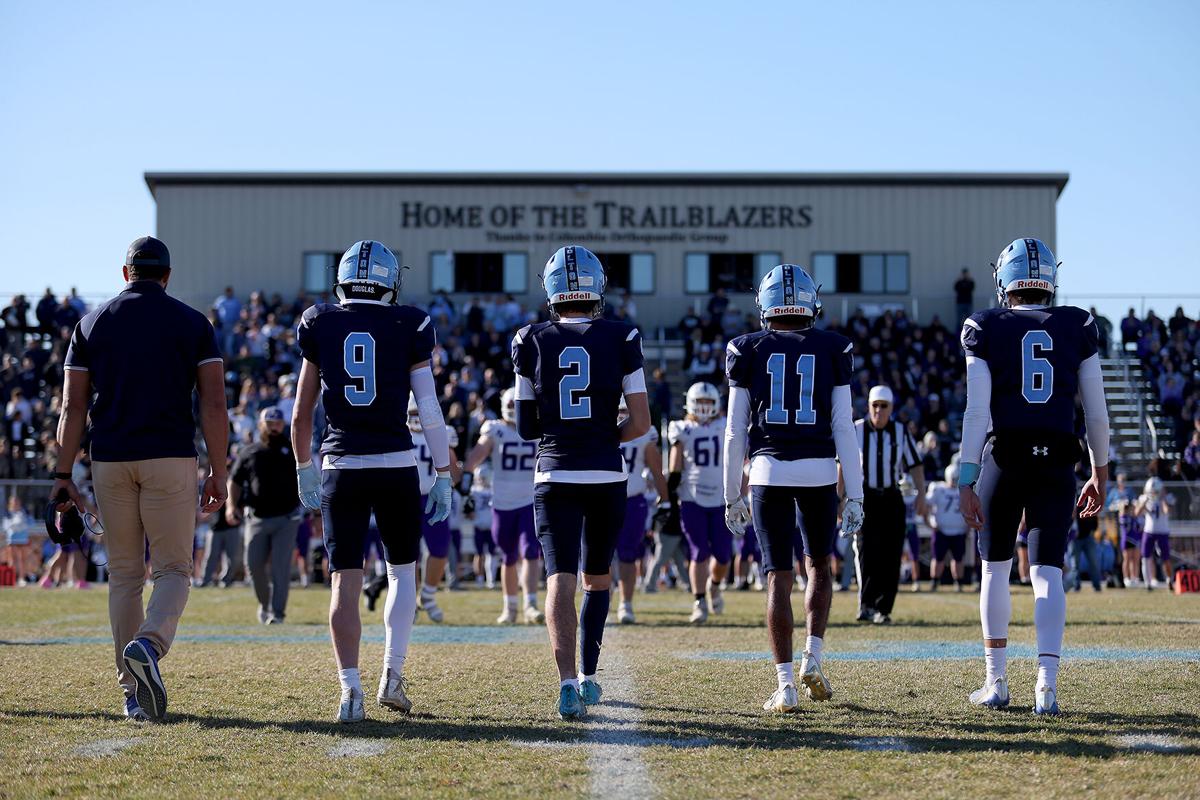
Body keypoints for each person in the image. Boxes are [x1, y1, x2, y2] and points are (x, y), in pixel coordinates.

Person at [53, 235, 228, 722]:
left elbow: (72, 405)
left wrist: (63, 474)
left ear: (125, 273)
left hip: (109, 458)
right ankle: (148, 646)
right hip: (170, 456)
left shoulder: (92, 323)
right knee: (173, 569)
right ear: (167, 275)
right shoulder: (193, 323)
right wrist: (220, 468)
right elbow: (213, 403)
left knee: (124, 576)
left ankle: (132, 695)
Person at [291, 240, 453, 723]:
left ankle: (350, 691)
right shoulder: (409, 323)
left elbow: (302, 413)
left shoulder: (320, 321)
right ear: (389, 282)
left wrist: (303, 465)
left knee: (345, 578)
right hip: (396, 463)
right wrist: (443, 472)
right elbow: (428, 409)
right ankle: (393, 674)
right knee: (403, 571)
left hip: (341, 463)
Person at [959, 237, 1109, 715]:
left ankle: (997, 682)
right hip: (1057, 461)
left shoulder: (986, 326)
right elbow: (1098, 414)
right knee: (1047, 572)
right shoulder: (1076, 324)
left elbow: (975, 411)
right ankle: (1047, 687)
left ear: (1004, 280)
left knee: (995, 569)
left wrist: (966, 477)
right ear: (1049, 277)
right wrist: (1100, 471)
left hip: (1004, 460)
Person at [511, 245, 650, 720]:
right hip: (606, 470)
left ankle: (568, 684)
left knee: (558, 580)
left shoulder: (530, 338)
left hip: (554, 471)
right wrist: (602, 435)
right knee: (597, 580)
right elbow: (642, 422)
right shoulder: (621, 335)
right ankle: (589, 676)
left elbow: (527, 427)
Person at [722, 264, 864, 713]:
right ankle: (813, 657)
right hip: (820, 470)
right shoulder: (832, 346)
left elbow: (734, 431)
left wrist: (731, 492)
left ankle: (784, 685)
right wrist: (855, 492)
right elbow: (844, 427)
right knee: (819, 566)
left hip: (767, 471)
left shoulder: (747, 348)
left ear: (764, 305)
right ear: (809, 301)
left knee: (777, 576)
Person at [461, 387, 544, 625]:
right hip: (502, 502)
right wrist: (466, 478)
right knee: (507, 556)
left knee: (530, 552)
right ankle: (510, 607)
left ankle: (530, 604)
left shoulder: (537, 429)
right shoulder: (495, 430)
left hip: (530, 500)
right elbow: (475, 458)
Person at [852, 386, 927, 624]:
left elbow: (915, 464)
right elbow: (843, 463)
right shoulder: (857, 429)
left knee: (892, 553)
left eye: (884, 406)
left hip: (892, 497)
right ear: (869, 406)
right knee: (866, 551)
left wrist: (921, 495)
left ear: (891, 408)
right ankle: (866, 605)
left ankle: (884, 609)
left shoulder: (900, 431)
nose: (879, 410)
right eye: (875, 405)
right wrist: (841, 497)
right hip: (866, 497)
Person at [226, 407, 300, 624]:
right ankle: (265, 604)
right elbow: (235, 480)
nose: (274, 426)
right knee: (254, 565)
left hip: (287, 518)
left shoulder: (293, 449)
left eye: (277, 423)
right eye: (269, 423)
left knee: (280, 567)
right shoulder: (250, 452)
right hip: (256, 517)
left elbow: (306, 476)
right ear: (260, 425)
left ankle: (277, 614)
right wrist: (231, 506)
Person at [668, 382, 729, 624]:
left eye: (708, 402)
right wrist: (671, 487)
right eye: (700, 402)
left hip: (721, 497)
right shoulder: (681, 428)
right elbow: (676, 460)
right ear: (691, 403)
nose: (704, 407)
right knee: (699, 551)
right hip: (691, 496)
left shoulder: (725, 426)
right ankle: (699, 601)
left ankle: (714, 586)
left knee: (723, 555)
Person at [614, 395, 668, 624]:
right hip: (602, 497)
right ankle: (601, 599)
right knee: (599, 555)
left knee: (628, 555)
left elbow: (656, 469)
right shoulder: (599, 427)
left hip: (632, 499)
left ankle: (626, 603)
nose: (624, 416)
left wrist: (665, 500)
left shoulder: (644, 433)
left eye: (627, 411)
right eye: (620, 411)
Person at [407, 397, 460, 623]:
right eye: (412, 412)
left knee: (439, 549)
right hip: (404, 499)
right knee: (408, 555)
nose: (417, 417)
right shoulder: (398, 430)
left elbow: (455, 472)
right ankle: (409, 602)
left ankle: (427, 595)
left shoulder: (442, 431)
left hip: (433, 497)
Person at [926, 464, 967, 591]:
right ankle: (934, 581)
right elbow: (926, 505)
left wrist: (968, 527)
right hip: (941, 530)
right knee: (938, 558)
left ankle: (959, 583)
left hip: (959, 531)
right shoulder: (938, 489)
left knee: (958, 559)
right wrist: (929, 523)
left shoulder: (964, 490)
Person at [1136, 477, 1174, 590]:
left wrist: (1162, 500)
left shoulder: (1166, 498)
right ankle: (1147, 583)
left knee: (1166, 558)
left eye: (1156, 491)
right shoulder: (1144, 498)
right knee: (1145, 557)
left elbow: (1167, 511)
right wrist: (1144, 502)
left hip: (1162, 531)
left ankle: (1169, 580)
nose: (1153, 493)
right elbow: (1136, 513)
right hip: (1149, 531)